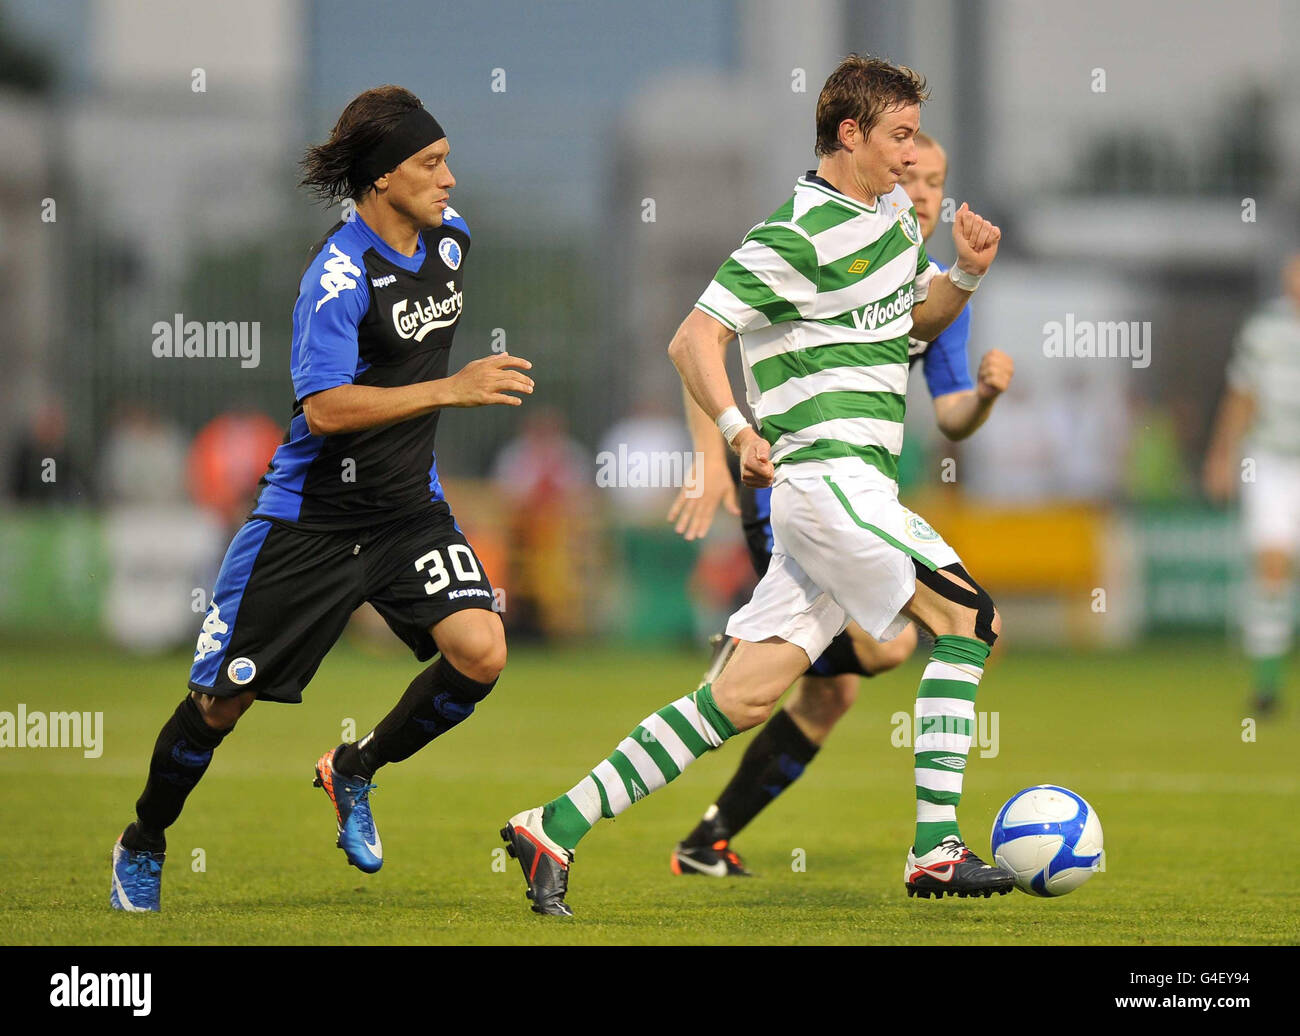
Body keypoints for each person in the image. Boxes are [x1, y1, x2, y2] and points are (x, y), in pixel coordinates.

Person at [502, 56, 1010, 915]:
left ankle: (552, 823)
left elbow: (908, 320)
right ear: (849, 135)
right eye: (897, 138)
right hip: (830, 486)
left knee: (737, 699)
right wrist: (736, 431)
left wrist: (961, 276)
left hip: (849, 495)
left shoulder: (887, 217)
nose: (911, 160)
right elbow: (691, 339)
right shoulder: (795, 232)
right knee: (973, 622)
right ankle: (934, 849)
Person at [109, 85, 534, 912]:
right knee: (220, 702)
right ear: (380, 178)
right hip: (310, 523)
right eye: (430, 163)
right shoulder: (336, 278)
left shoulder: (453, 243)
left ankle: (353, 768)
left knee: (482, 650)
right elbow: (326, 408)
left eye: (447, 160)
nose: (450, 179)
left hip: (408, 511)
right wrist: (450, 389)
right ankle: (144, 840)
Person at [666, 130, 1014, 877]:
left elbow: (951, 415)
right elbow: (713, 338)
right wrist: (714, 454)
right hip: (794, 485)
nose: (923, 193)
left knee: (828, 698)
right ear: (883, 168)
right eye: (912, 173)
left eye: (935, 182)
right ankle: (932, 849)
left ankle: (705, 839)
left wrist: (983, 395)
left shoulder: (926, 282)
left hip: (860, 489)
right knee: (897, 643)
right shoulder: (826, 245)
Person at [1204, 254, 1300, 717]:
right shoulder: (1265, 331)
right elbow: (1242, 395)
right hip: (1272, 462)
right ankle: (1267, 685)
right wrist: (1223, 455)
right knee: (1273, 565)